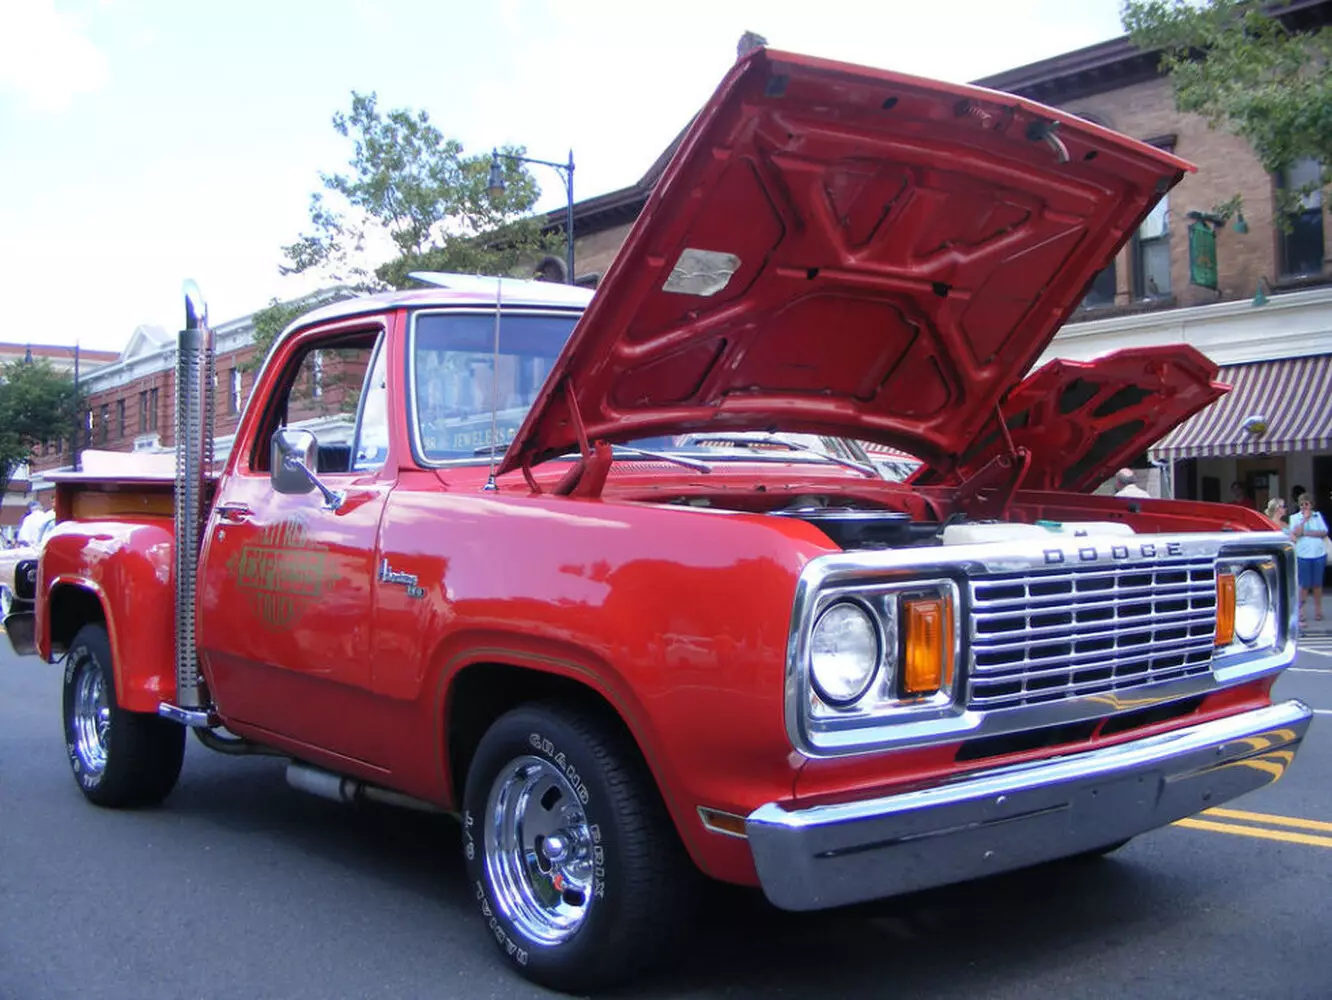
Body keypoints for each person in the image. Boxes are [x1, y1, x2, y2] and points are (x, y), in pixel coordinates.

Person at [1287, 493, 1328, 626]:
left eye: (1307, 504)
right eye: (1302, 504)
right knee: (1304, 585)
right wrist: (1304, 520)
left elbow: (1324, 532)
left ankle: (1318, 610)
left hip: (1318, 554)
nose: (1305, 507)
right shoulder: (1294, 518)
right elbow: (1296, 533)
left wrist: (1307, 533)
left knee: (1317, 584)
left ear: (1311, 504)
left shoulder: (1317, 516)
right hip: (1303, 555)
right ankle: (1301, 612)